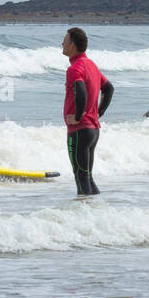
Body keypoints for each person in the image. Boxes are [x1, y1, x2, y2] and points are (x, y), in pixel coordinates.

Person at [62, 27, 114, 196]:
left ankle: (85, 216)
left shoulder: (75, 68)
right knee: (87, 177)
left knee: (81, 177)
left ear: (73, 45)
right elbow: (109, 89)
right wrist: (99, 113)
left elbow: (81, 92)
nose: (62, 43)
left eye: (65, 40)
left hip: (79, 131)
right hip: (92, 130)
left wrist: (78, 117)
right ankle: (97, 213)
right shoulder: (91, 65)